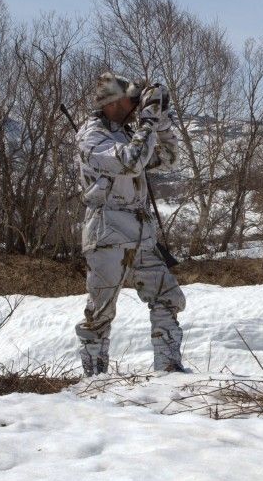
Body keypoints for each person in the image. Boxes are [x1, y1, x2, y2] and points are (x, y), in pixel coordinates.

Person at [74, 72, 185, 376]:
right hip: (107, 228)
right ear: (111, 103)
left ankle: (169, 370)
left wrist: (160, 121)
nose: (135, 104)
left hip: (140, 231)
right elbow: (131, 161)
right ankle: (94, 380)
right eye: (131, 99)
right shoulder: (92, 136)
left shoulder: (125, 133)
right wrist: (148, 122)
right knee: (100, 312)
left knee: (167, 296)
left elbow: (170, 158)